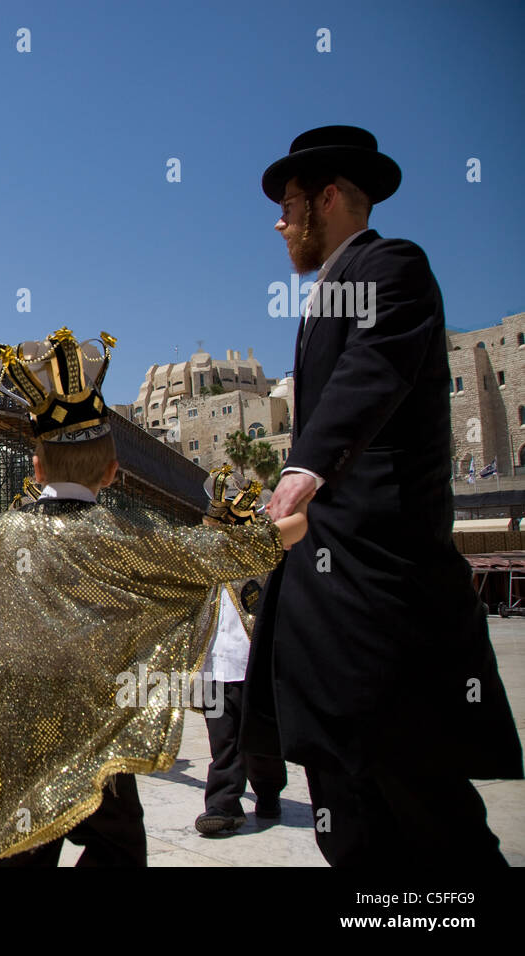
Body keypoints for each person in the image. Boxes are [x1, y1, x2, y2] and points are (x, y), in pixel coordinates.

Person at [0, 327, 307, 865]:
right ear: (113, 471)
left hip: (18, 737)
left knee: (13, 847)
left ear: (35, 467)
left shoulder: (1, 536)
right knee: (118, 848)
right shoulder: (131, 534)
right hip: (102, 740)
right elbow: (215, 553)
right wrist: (297, 521)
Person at [245, 126, 522, 866]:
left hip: (380, 598)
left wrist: (304, 467)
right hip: (333, 605)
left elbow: (372, 371)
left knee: (428, 813)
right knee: (351, 812)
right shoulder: (328, 293)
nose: (278, 222)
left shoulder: (391, 266)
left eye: (290, 204)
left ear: (328, 198)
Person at [192, 465, 285, 835]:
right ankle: (223, 806)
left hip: (253, 661)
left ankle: (268, 792)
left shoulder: (263, 547)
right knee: (223, 742)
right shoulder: (204, 545)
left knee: (261, 740)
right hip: (214, 663)